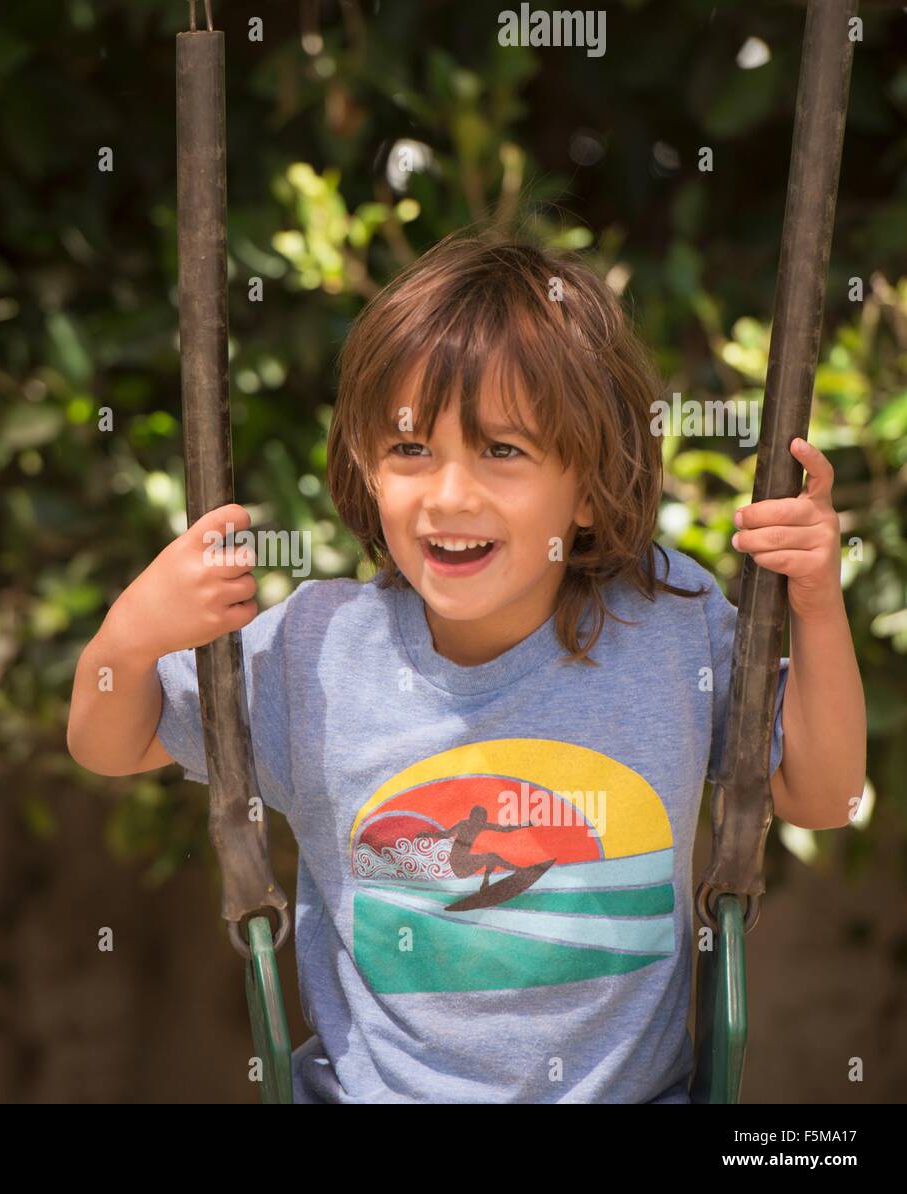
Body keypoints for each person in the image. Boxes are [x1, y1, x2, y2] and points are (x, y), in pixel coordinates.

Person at [66, 231, 866, 1104]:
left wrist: (817, 604)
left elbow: (820, 794)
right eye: (411, 450)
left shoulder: (665, 629)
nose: (450, 496)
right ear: (368, 467)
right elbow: (115, 740)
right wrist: (129, 639)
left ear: (592, 487)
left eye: (503, 451)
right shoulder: (322, 654)